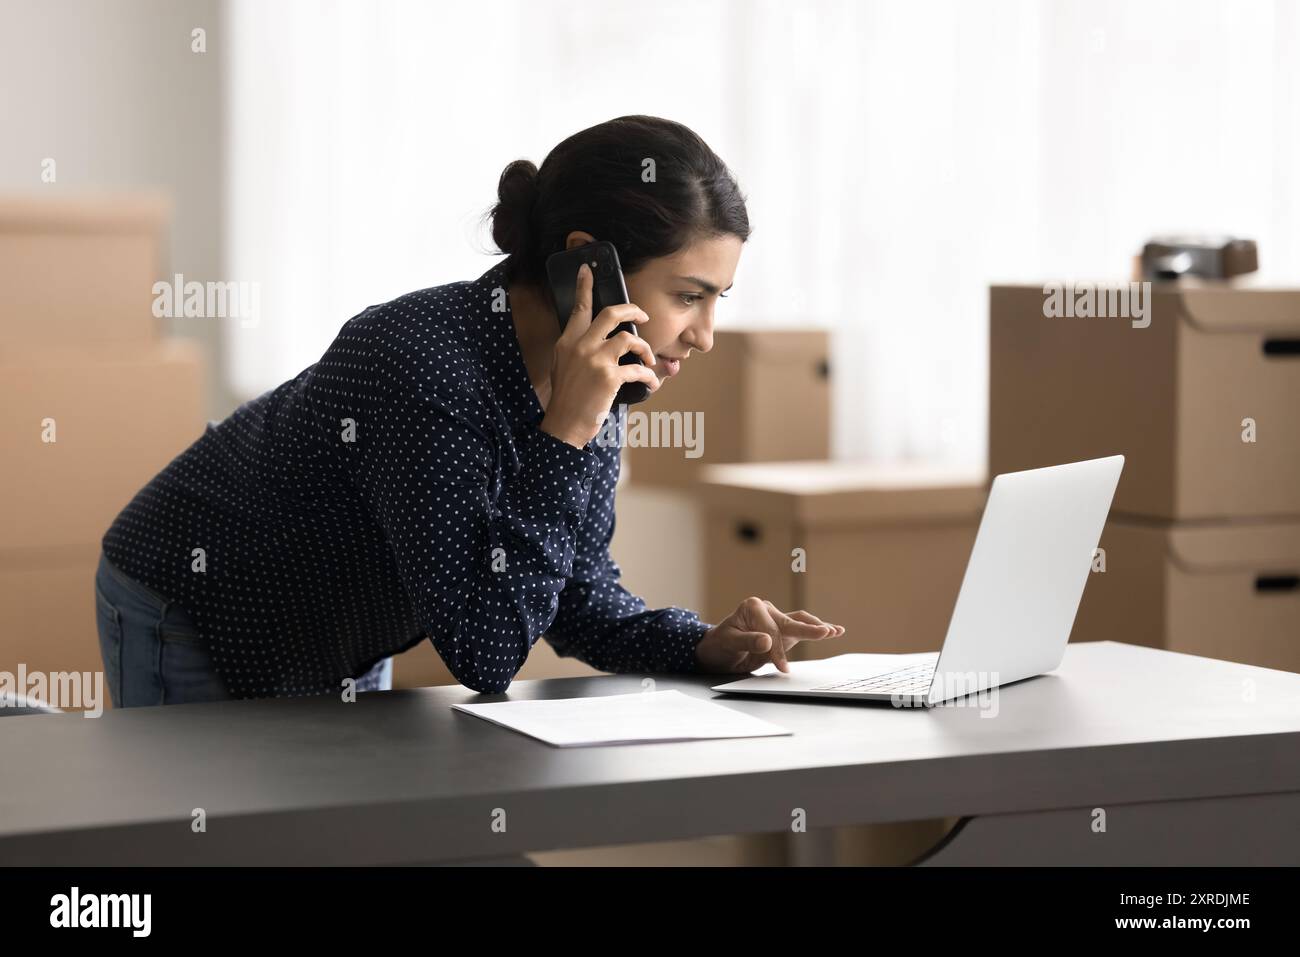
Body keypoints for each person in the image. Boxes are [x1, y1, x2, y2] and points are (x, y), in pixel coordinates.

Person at [95, 114, 844, 708]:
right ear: (591, 265)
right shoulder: (421, 365)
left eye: (718, 300)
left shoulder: (596, 374)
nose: (706, 336)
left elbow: (575, 595)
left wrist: (701, 644)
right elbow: (485, 652)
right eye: (688, 296)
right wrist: (569, 433)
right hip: (199, 594)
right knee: (203, 846)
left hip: (344, 629)